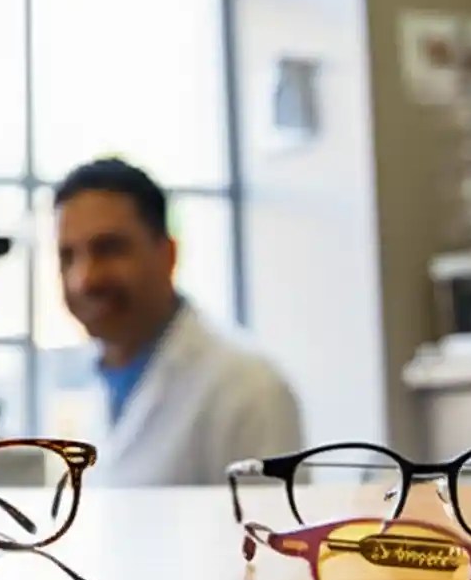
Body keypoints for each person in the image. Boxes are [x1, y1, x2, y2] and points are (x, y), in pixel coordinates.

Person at [53, 158, 302, 486]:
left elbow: (269, 533)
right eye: (68, 256)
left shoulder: (249, 389)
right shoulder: (94, 384)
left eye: (109, 249)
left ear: (167, 254)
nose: (84, 279)